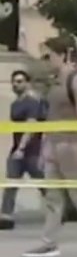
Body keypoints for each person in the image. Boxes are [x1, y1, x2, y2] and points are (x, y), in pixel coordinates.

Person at [23, 35, 77, 257]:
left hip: (72, 145)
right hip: (54, 144)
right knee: (53, 196)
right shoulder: (52, 82)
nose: (46, 60)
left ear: (62, 55)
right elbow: (50, 116)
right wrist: (46, 145)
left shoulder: (75, 80)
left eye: (50, 55)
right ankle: (49, 241)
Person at [1, 70, 45, 229]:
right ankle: (5, 216)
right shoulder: (15, 103)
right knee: (11, 182)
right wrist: (17, 149)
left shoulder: (33, 101)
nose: (16, 84)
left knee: (43, 183)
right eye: (14, 81)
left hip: (32, 149)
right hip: (17, 149)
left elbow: (31, 125)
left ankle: (60, 210)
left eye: (19, 81)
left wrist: (22, 147)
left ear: (27, 83)